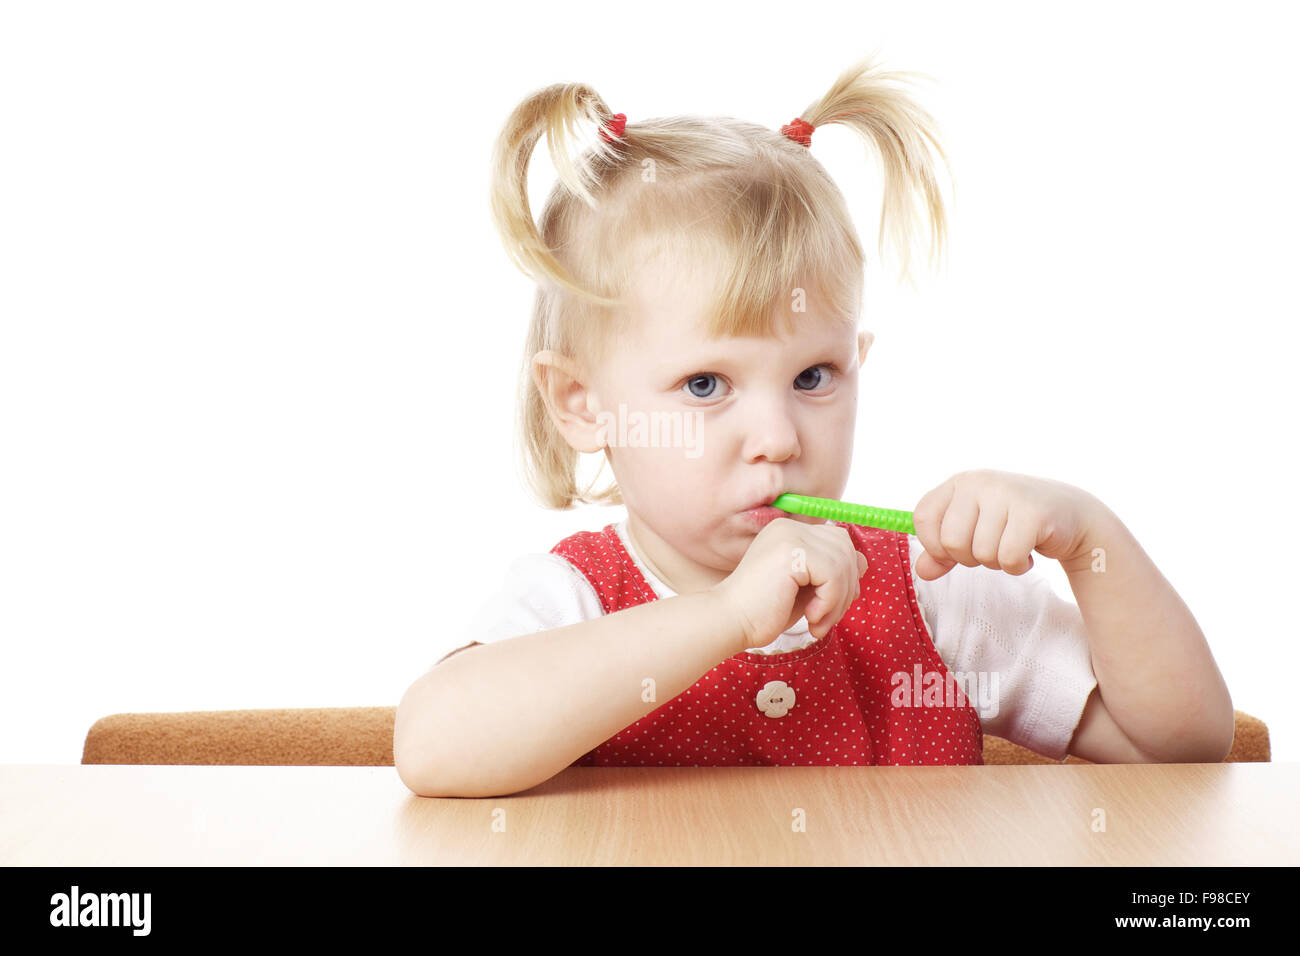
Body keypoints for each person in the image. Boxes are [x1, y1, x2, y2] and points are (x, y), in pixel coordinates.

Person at [394, 55, 1234, 798]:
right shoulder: (573, 600)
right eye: (704, 383)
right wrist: (726, 616)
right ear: (582, 404)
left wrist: (1092, 540)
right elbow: (433, 747)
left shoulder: (932, 590)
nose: (779, 436)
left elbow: (1181, 746)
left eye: (812, 376)